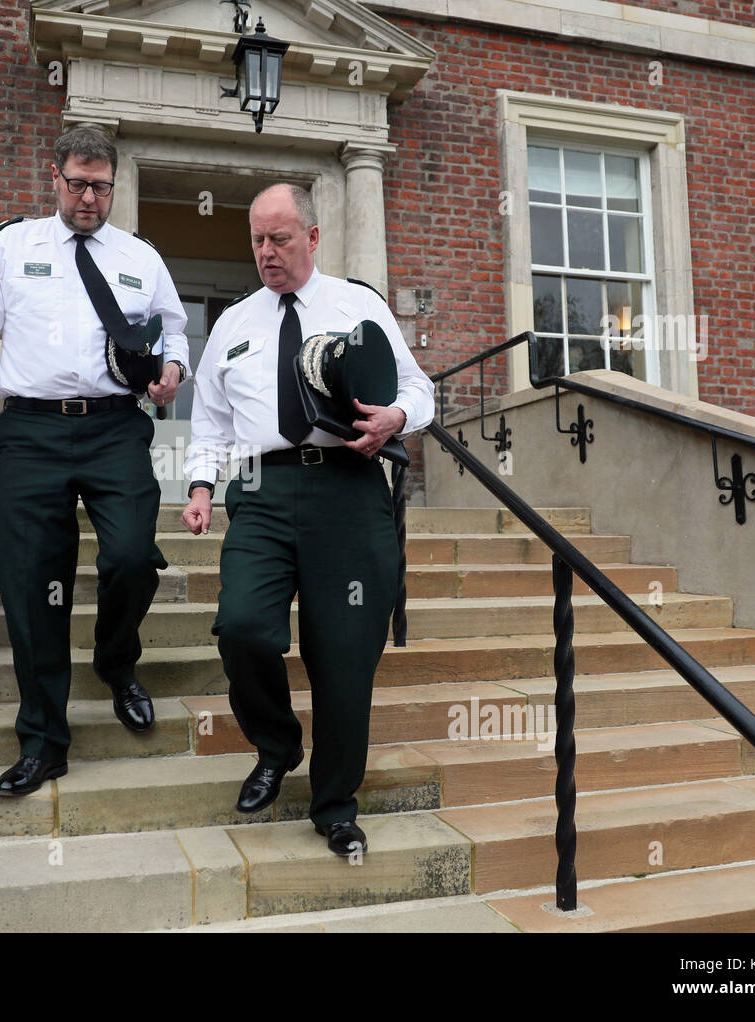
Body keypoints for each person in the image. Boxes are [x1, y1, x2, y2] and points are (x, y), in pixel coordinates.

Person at [180, 183, 434, 856]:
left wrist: (396, 419)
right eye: (257, 240)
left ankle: (336, 805)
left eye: (280, 239)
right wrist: (202, 486)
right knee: (241, 626)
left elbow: (417, 387)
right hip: (261, 492)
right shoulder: (233, 323)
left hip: (349, 491)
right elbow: (208, 420)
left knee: (345, 657)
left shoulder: (358, 305)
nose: (266, 252)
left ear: (313, 238)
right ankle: (277, 745)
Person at [0, 125, 190, 797]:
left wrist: (172, 367)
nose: (88, 198)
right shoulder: (9, 247)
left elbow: (174, 327)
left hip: (116, 430)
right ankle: (45, 742)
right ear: (55, 178)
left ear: (115, 186)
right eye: (77, 184)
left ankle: (116, 661)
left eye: (101, 187)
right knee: (30, 592)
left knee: (135, 557)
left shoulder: (139, 255)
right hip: (30, 432)